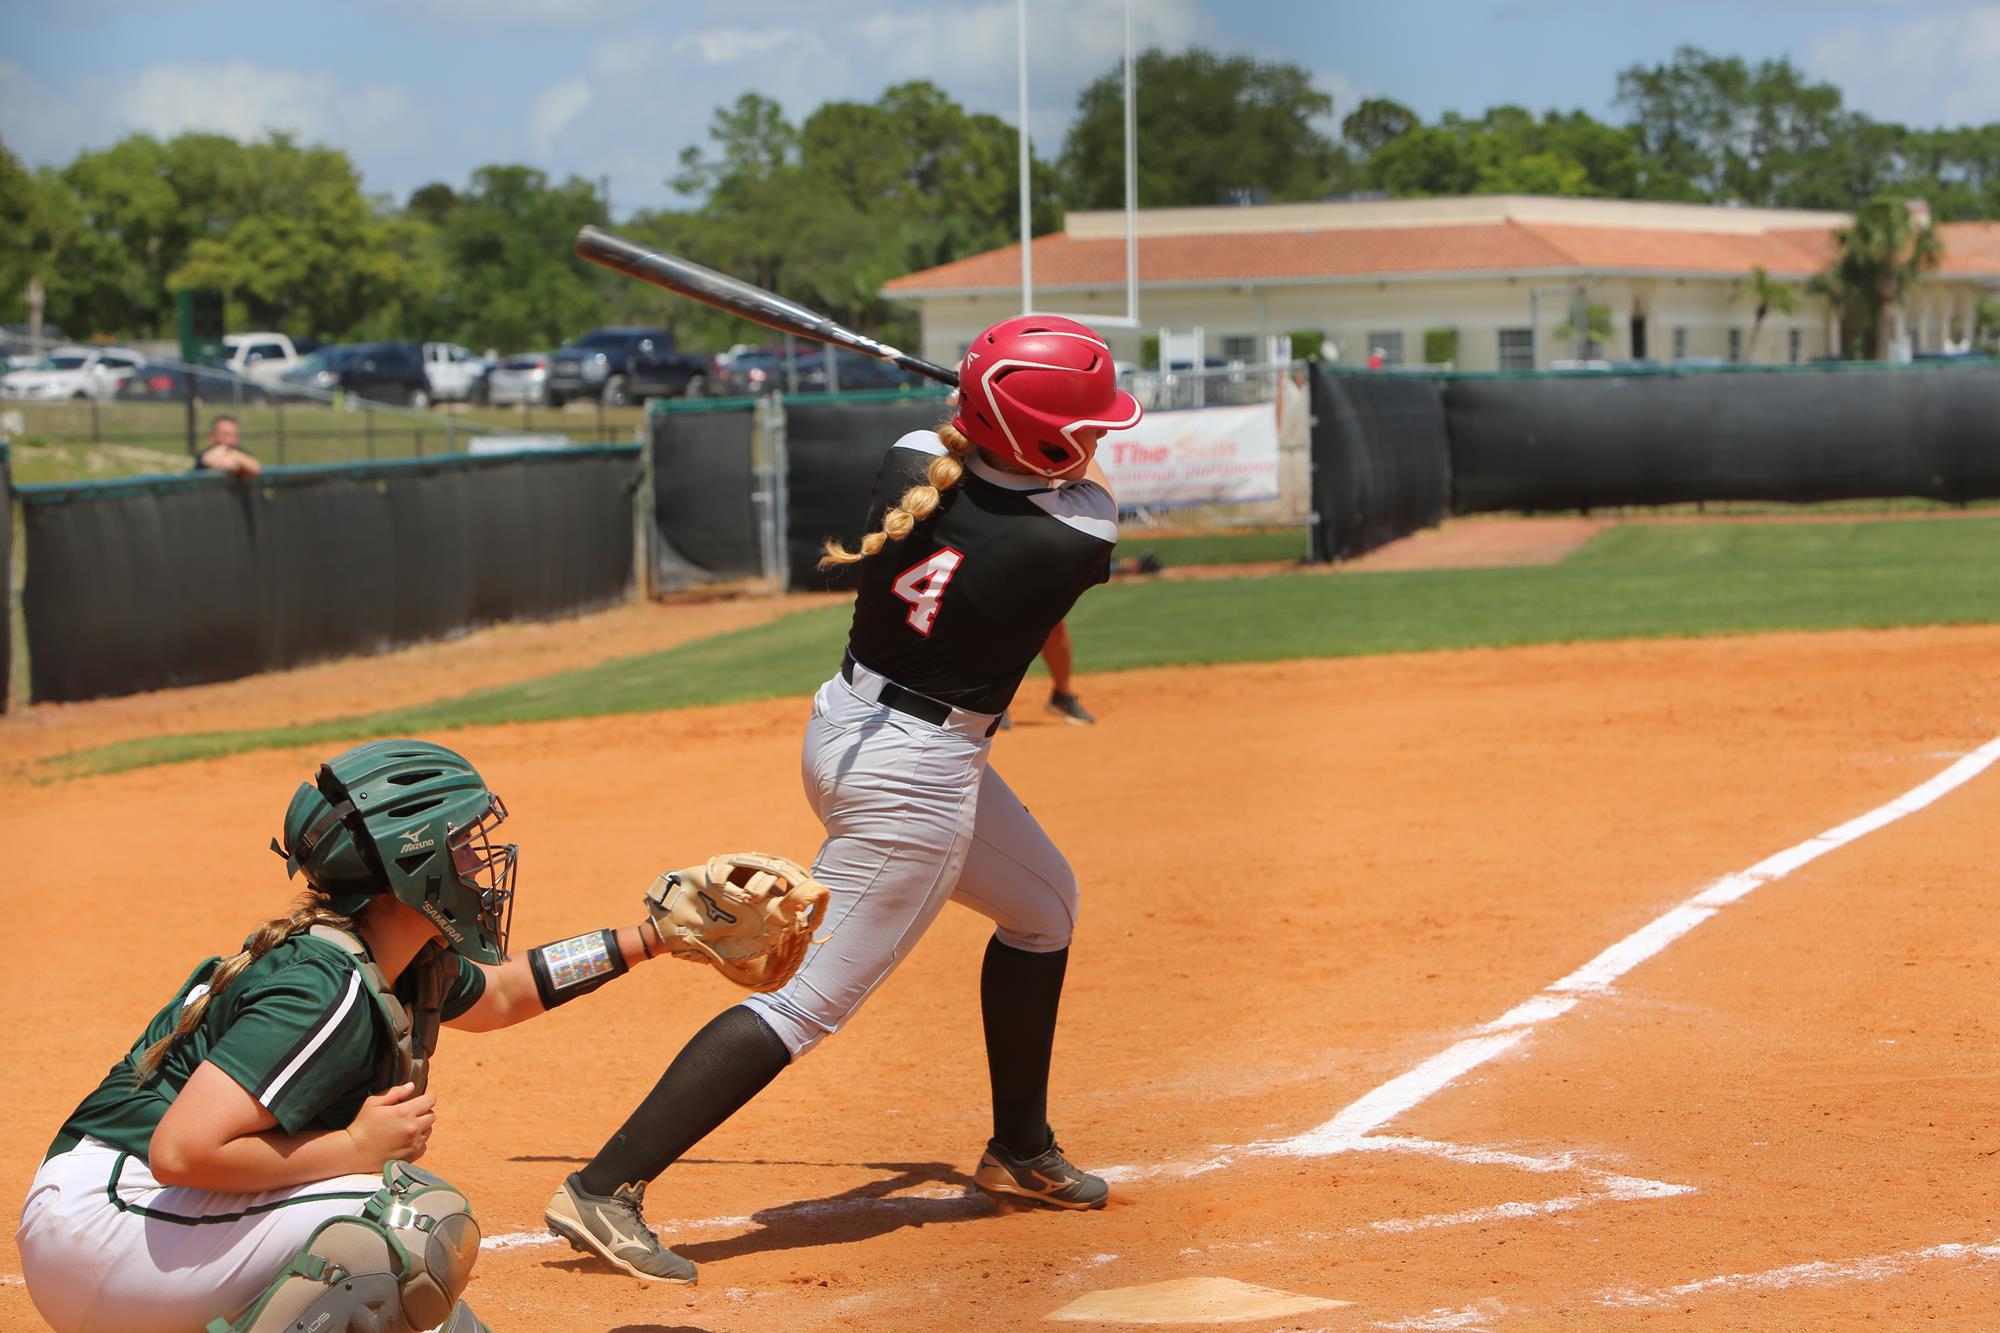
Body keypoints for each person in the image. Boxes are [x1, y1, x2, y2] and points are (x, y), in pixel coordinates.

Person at [545, 315, 1143, 1285]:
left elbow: (969, 452)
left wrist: (982, 408)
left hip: (848, 729)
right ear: (1036, 438)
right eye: (1083, 424)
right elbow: (1079, 478)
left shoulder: (910, 458)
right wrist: (999, 415)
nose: (1096, 436)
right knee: (804, 1002)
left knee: (1043, 908)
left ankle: (1019, 1147)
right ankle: (603, 1187)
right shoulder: (1074, 532)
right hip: (915, 776)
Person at [18, 739, 684, 1333]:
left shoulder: (397, 960)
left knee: (421, 1301)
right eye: (462, 843)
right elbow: (181, 1150)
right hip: (108, 1224)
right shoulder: (324, 986)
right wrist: (354, 1147)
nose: (481, 862)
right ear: (412, 862)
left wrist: (654, 936)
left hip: (156, 1227)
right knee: (406, 1222)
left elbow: (506, 991)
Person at [195, 414, 263, 479]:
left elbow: (256, 468)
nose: (230, 440)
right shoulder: (204, 456)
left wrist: (233, 455)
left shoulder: (239, 452)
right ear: (213, 437)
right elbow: (208, 460)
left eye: (233, 435)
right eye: (226, 434)